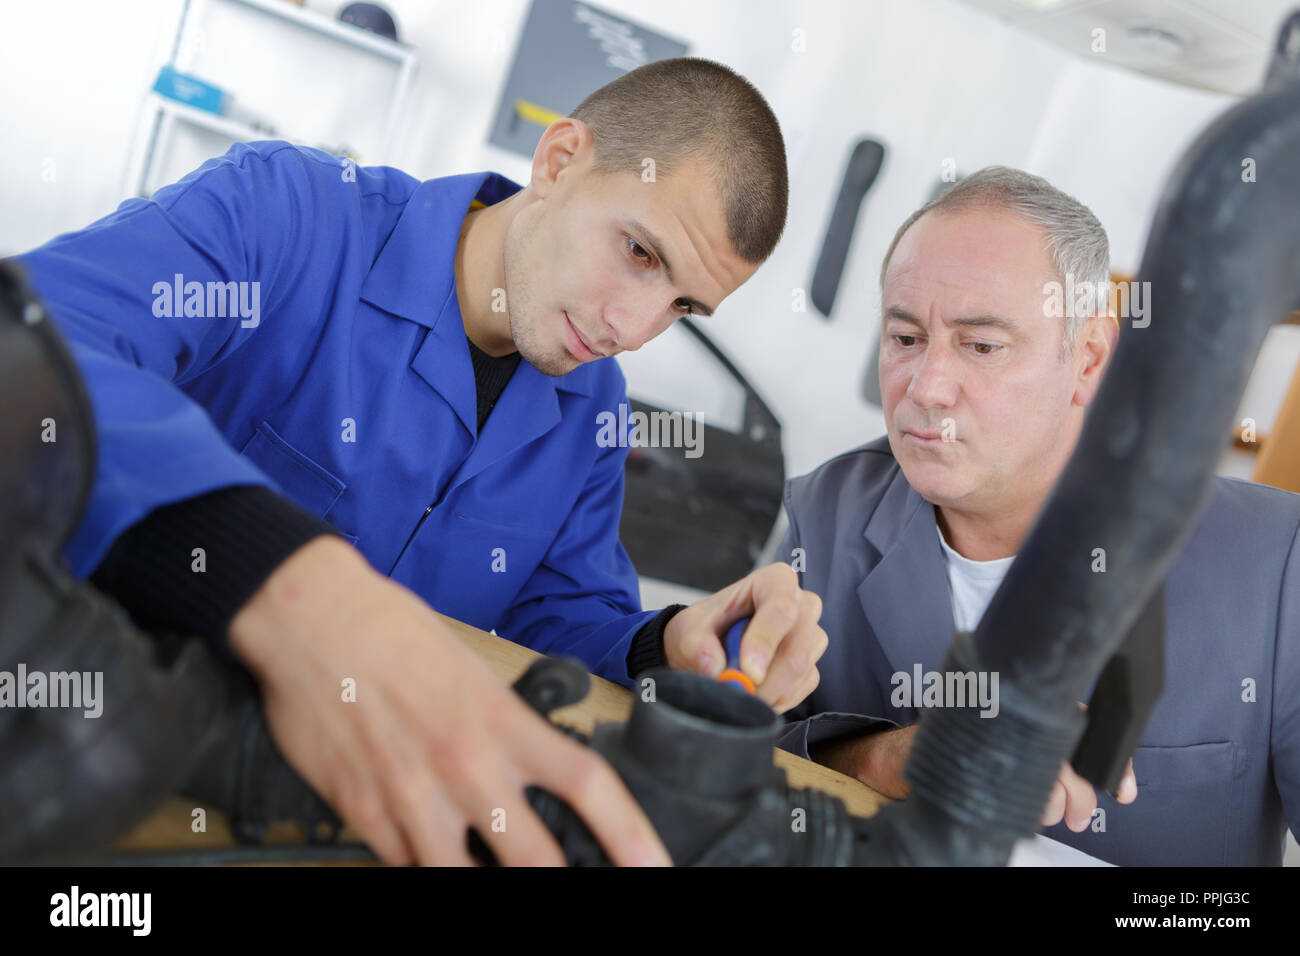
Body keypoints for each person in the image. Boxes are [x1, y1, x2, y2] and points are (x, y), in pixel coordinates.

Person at [15, 57, 827, 866]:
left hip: (352, 821)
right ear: (560, 160)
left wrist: (666, 645)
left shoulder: (592, 407)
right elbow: (35, 356)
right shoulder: (290, 213)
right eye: (640, 253)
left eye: (682, 305)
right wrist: (288, 583)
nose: (633, 326)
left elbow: (561, 619)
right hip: (93, 764)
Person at [774, 166, 1300, 865]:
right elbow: (740, 759)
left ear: (1087, 360)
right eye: (904, 338)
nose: (926, 387)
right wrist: (892, 758)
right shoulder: (825, 512)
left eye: (981, 346)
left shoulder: (1276, 561)